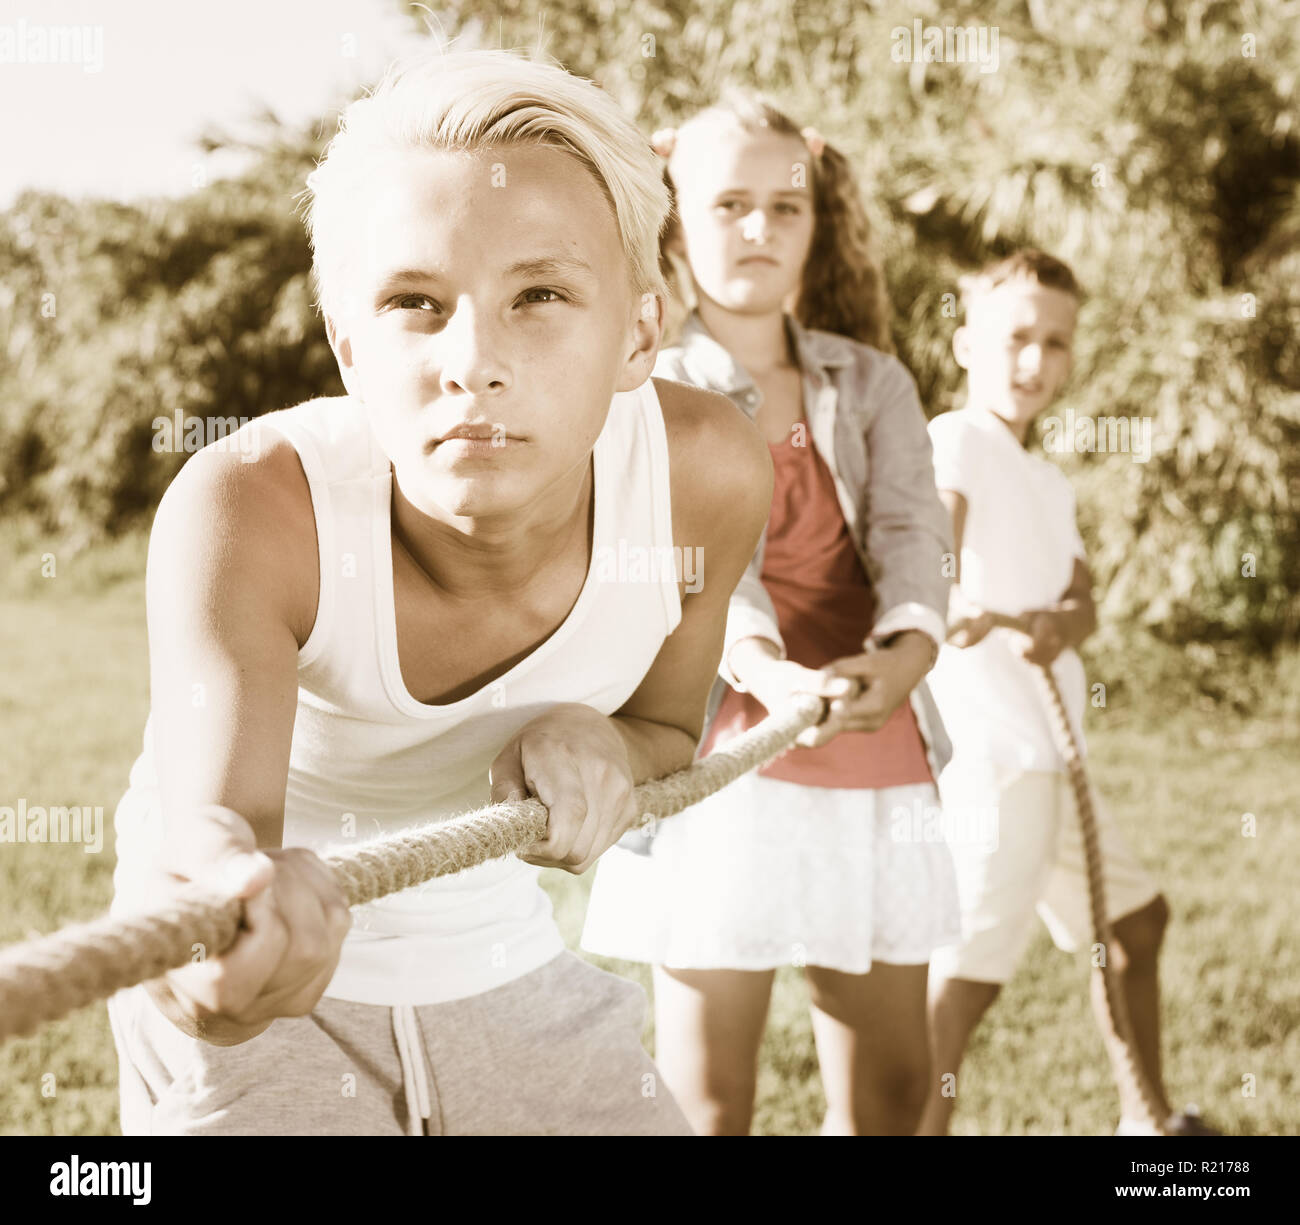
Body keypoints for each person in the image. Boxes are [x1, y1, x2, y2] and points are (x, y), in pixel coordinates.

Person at [103, 48, 778, 1137]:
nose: (473, 361)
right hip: (280, 977)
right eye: (416, 303)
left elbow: (663, 725)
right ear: (350, 349)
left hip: (493, 938)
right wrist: (210, 958)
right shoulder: (251, 510)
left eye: (541, 295)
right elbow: (211, 845)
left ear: (641, 334)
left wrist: (603, 743)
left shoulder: (705, 477)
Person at [580, 94, 960, 1136]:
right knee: (708, 1101)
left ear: (815, 220)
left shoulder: (872, 381)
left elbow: (913, 533)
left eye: (783, 207)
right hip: (719, 756)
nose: (757, 229)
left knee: (891, 1087)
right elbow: (699, 560)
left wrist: (906, 652)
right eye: (729, 204)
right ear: (676, 220)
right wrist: (762, 666)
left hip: (871, 740)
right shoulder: (644, 391)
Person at [917, 248, 1217, 1137]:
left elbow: (1081, 597)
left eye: (1055, 343)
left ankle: (1148, 1126)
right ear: (967, 342)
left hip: (1054, 757)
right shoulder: (957, 440)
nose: (1034, 361)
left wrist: (1059, 623)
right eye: (1015, 337)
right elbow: (933, 545)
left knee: (1135, 920)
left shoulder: (1046, 478)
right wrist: (953, 600)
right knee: (963, 979)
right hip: (999, 760)